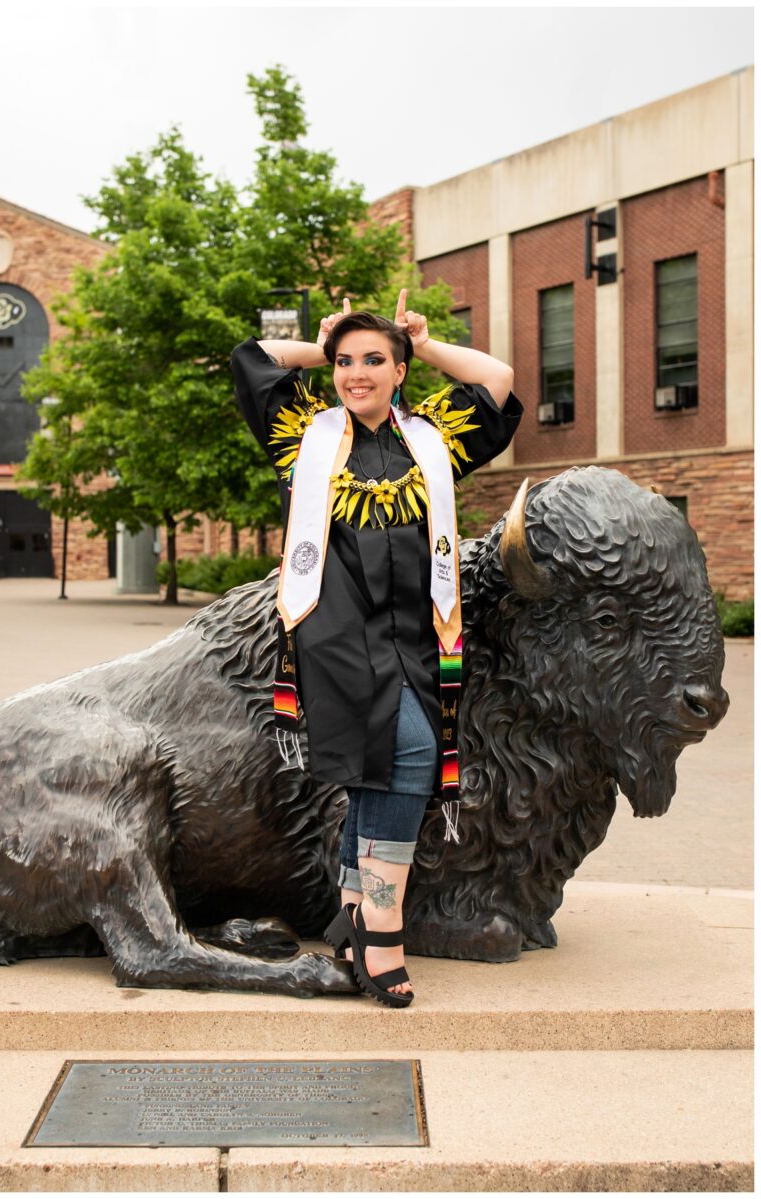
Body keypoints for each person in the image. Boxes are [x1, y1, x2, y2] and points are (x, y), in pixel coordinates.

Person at [230, 291, 521, 1007]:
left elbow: (498, 378)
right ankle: (382, 921)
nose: (355, 373)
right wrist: (322, 337)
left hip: (418, 633)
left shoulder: (432, 439)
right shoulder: (304, 433)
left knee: (374, 771)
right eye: (344, 362)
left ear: (399, 370)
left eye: (373, 360)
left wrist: (423, 341)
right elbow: (256, 360)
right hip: (334, 631)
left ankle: (352, 906)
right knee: (413, 754)